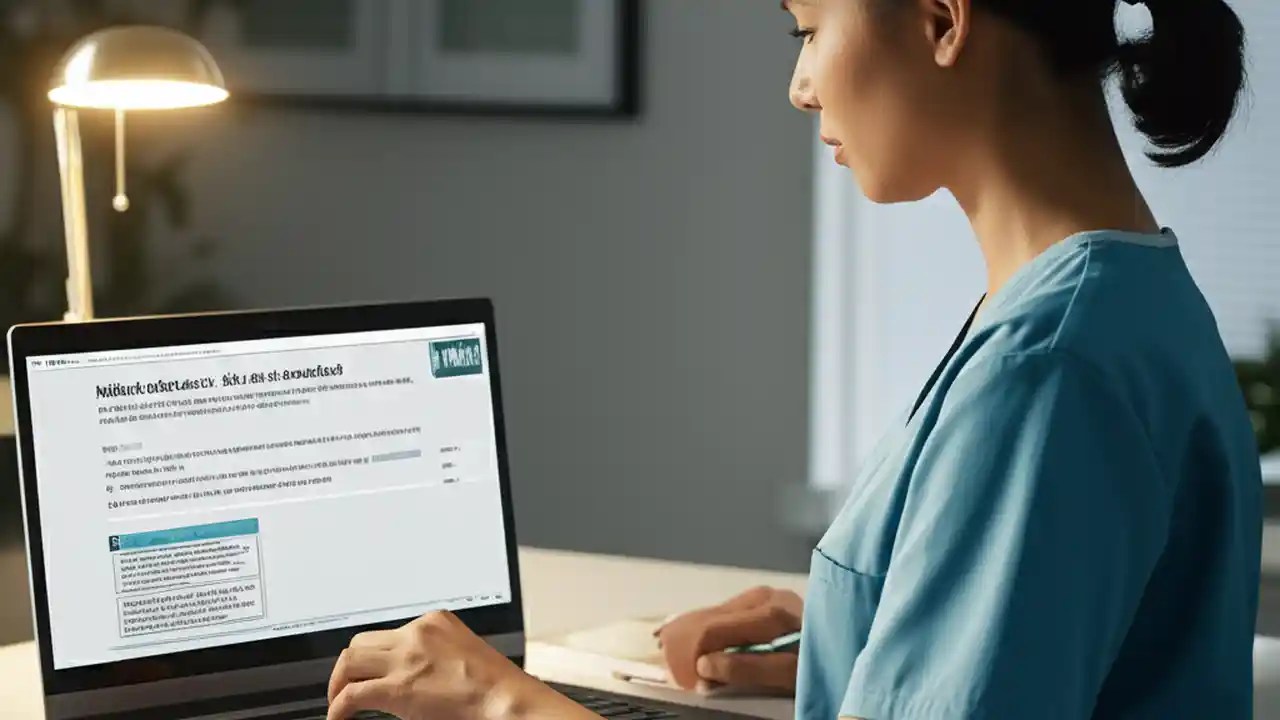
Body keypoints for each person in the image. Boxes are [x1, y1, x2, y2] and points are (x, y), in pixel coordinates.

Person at [325, 0, 1262, 717]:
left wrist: (500, 698)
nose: (801, 85)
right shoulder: (1127, 298)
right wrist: (850, 630)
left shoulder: (1049, 369)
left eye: (807, 31)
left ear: (940, 21)